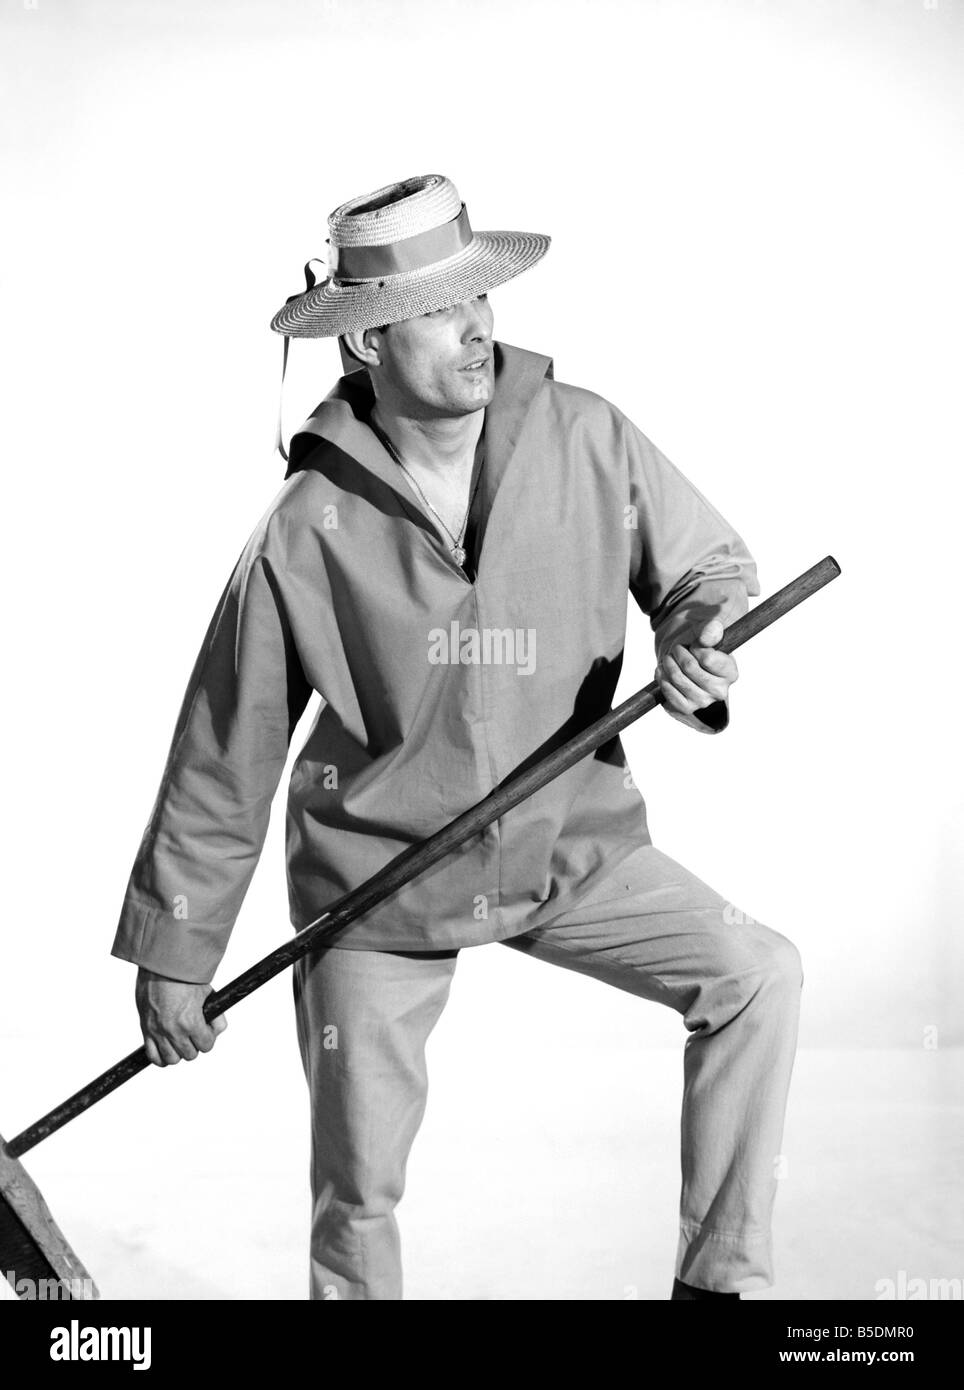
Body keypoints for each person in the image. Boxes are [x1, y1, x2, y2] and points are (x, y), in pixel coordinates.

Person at [112, 173, 803, 1301]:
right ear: (365, 346)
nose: (475, 325)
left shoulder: (587, 436)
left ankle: (719, 1285)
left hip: (568, 842)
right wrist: (175, 950)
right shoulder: (304, 530)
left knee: (757, 972)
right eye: (436, 308)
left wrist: (695, 634)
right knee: (356, 1186)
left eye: (478, 295)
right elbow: (223, 751)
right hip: (376, 882)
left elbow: (707, 569)